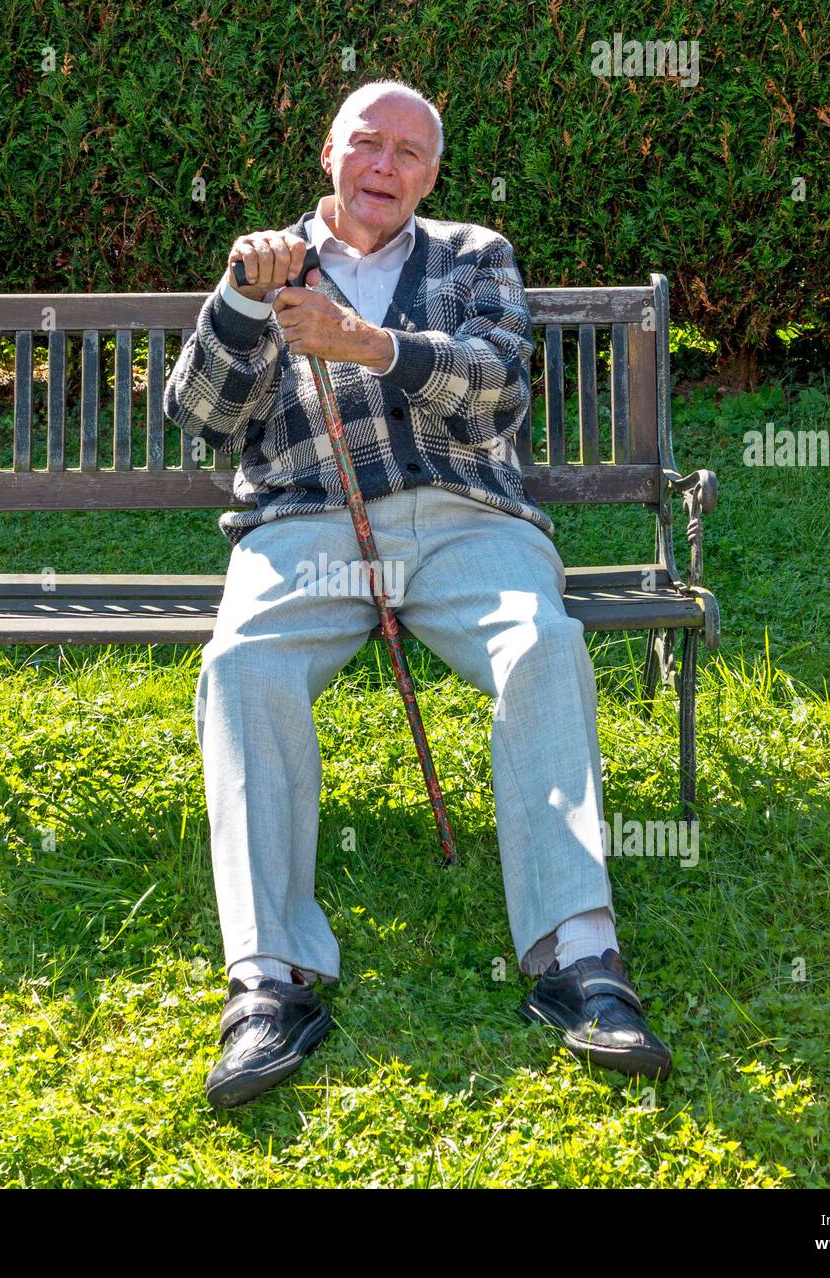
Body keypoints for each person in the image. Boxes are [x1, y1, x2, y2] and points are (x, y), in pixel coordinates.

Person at [165, 80, 672, 1110]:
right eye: (367, 144)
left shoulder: (473, 254)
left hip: (465, 519)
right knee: (241, 664)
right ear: (328, 153)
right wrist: (239, 302)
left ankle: (575, 957)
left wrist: (366, 345)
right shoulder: (266, 263)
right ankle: (272, 980)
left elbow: (496, 386)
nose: (384, 166)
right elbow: (200, 418)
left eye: (409, 153)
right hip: (304, 522)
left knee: (540, 644)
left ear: (431, 176)